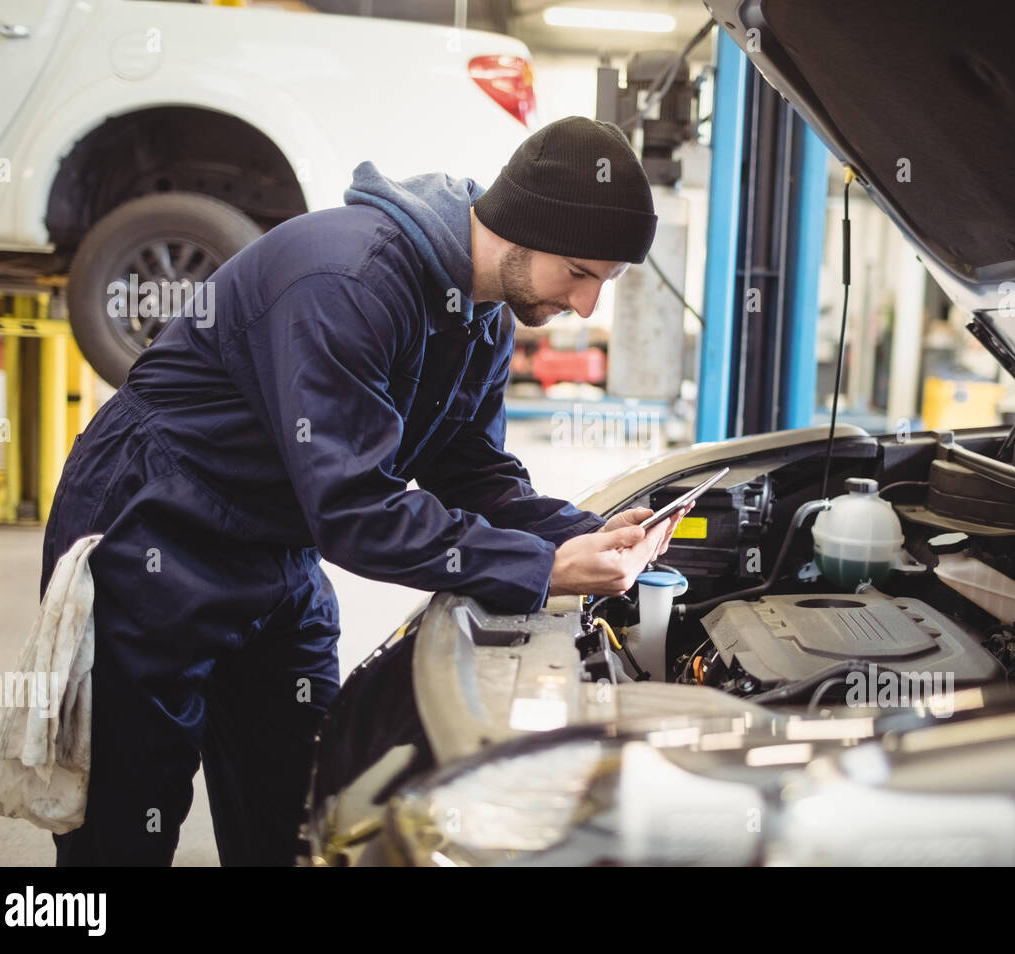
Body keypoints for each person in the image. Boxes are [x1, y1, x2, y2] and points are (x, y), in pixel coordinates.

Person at [41, 116, 682, 865]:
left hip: (275, 545)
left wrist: (584, 533)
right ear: (520, 230)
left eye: (604, 283)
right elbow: (354, 511)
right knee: (127, 816)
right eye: (578, 274)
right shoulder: (347, 280)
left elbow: (471, 473)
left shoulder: (481, 317)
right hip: (152, 525)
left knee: (298, 800)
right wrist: (541, 572)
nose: (585, 308)